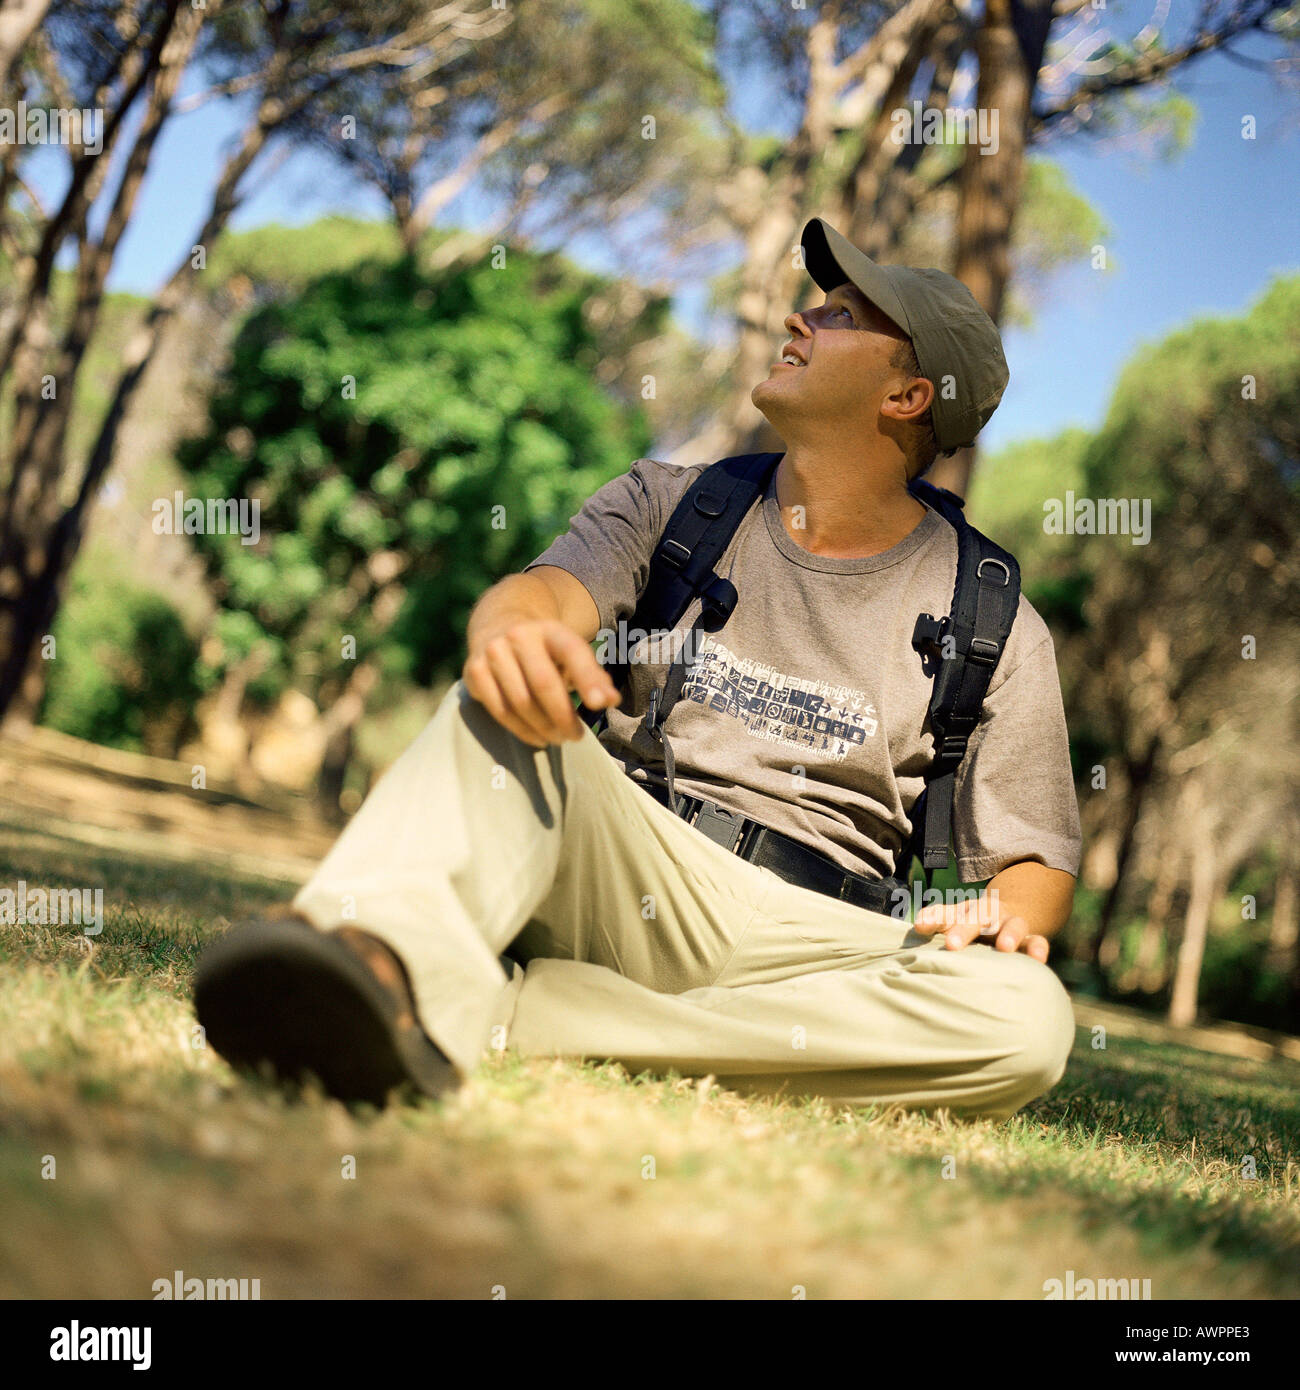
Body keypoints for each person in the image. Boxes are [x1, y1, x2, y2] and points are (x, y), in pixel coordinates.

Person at [194, 217, 1081, 1119]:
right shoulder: (669, 502)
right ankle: (364, 959)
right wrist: (513, 634)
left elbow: (1034, 863)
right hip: (633, 870)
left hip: (827, 937)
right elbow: (539, 599)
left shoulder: (995, 619)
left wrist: (996, 916)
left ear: (907, 396)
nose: (801, 320)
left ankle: (522, 1013)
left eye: (842, 315)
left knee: (1026, 1021)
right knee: (498, 711)